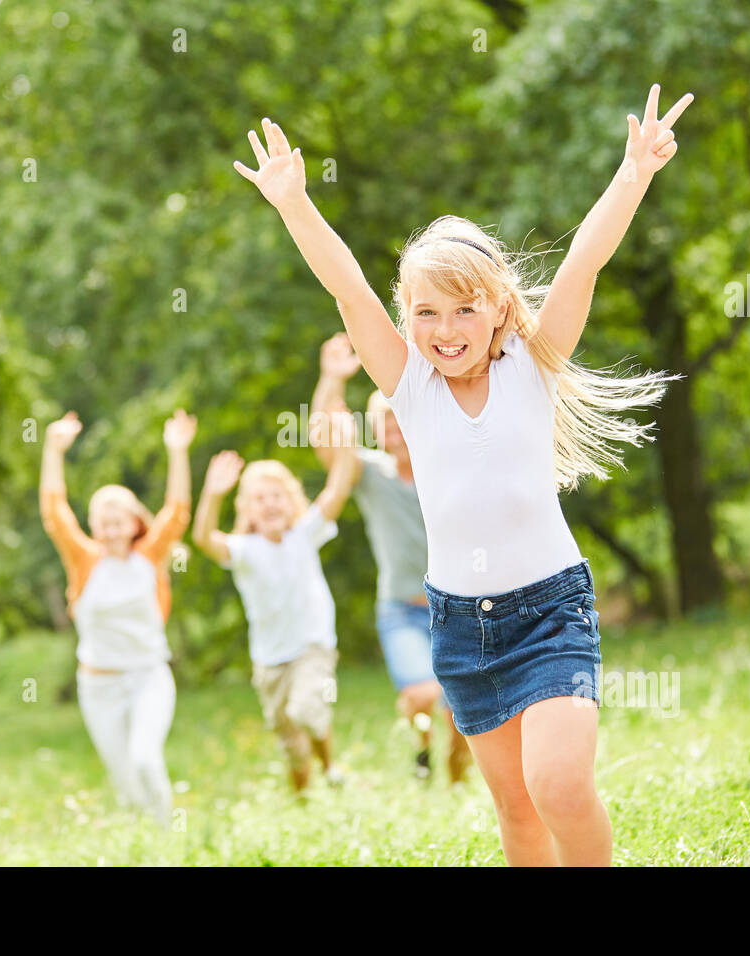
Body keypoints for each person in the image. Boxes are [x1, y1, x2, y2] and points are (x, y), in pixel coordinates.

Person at [232, 84, 692, 865]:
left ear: (501, 310)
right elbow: (345, 286)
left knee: (559, 787)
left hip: (550, 611)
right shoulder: (407, 387)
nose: (446, 332)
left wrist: (634, 172)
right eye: (426, 315)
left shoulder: (533, 367)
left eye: (465, 311)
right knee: (515, 814)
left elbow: (584, 259)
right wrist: (293, 205)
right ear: (407, 318)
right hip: (460, 627)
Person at [310, 331, 471, 784]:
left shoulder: (446, 466)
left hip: (456, 606)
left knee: (460, 719)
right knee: (424, 694)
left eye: (402, 422)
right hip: (401, 610)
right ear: (377, 433)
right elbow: (325, 437)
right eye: (386, 426)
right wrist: (331, 379)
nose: (396, 432)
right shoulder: (371, 474)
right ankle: (423, 745)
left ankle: (452, 775)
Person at [39, 408, 196, 828]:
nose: (109, 530)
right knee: (125, 783)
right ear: (92, 526)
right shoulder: (84, 562)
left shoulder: (151, 558)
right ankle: (141, 846)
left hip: (148, 677)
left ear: (132, 523)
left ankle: (168, 840)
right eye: (101, 523)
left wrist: (177, 450)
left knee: (146, 759)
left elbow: (177, 510)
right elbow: (54, 513)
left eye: (116, 522)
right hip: (99, 685)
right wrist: (53, 451)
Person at [191, 421, 357, 794]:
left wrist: (346, 445)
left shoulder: (303, 535)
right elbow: (203, 538)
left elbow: (336, 491)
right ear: (247, 509)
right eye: (259, 499)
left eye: (277, 496)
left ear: (292, 502)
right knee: (292, 746)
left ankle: (330, 767)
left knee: (306, 709)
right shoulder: (246, 551)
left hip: (313, 645)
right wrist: (213, 494)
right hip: (269, 660)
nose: (269, 504)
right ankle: (302, 800)